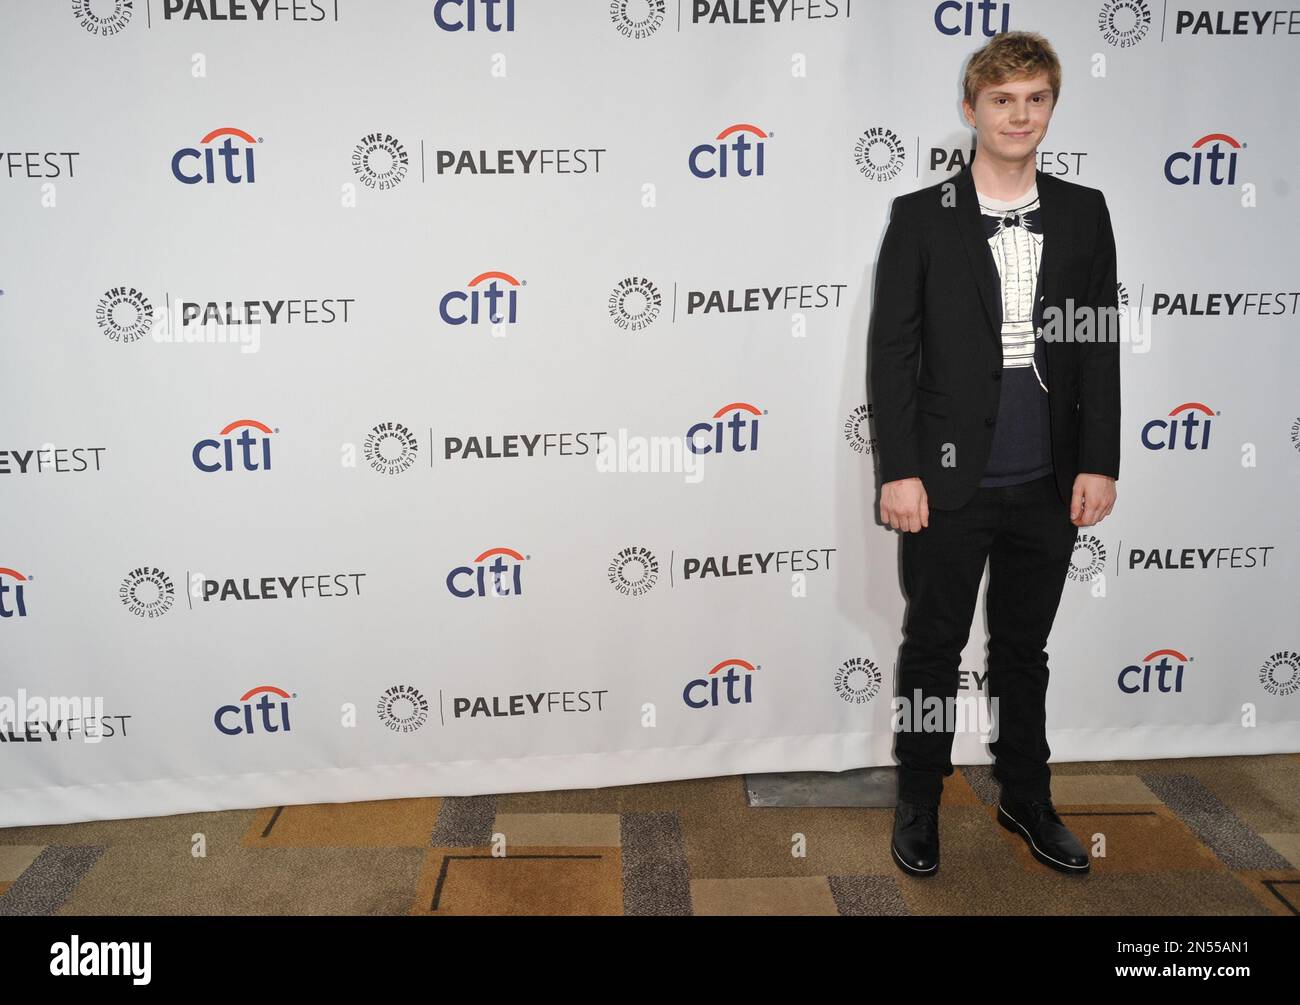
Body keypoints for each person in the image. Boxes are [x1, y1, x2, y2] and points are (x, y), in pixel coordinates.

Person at [867, 31, 1120, 878]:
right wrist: (897, 469)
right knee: (933, 645)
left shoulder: (1084, 212)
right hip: (945, 480)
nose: (1021, 115)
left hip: (1049, 477)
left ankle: (1025, 793)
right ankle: (920, 796)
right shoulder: (919, 216)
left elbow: (1099, 346)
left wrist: (1099, 458)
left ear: (1052, 107)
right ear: (970, 108)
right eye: (1003, 99)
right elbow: (892, 353)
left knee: (1023, 650)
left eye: (1036, 98)